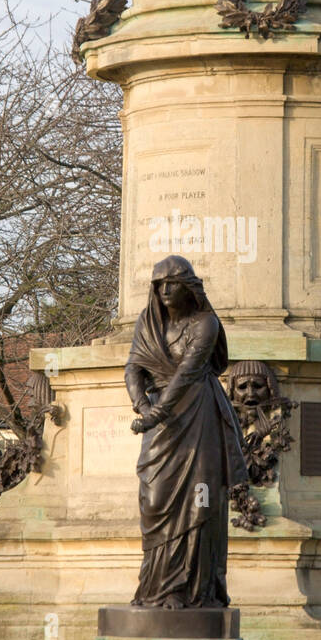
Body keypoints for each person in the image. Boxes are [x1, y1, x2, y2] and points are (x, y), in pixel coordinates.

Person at [124, 256, 248, 609]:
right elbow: (133, 367)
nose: (164, 290)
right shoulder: (149, 324)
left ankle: (194, 589)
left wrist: (155, 414)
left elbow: (189, 372)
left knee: (201, 498)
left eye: (171, 283)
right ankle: (156, 587)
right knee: (154, 497)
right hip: (162, 422)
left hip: (199, 417)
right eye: (158, 284)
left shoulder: (205, 323)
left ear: (188, 287)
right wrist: (142, 407)